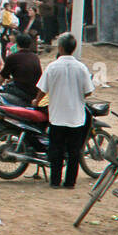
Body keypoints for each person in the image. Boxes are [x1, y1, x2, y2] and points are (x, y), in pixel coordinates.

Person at [33, 33, 95, 188]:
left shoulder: (52, 67)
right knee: (74, 152)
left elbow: (42, 89)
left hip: (57, 116)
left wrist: (37, 101)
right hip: (76, 117)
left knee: (56, 150)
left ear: (60, 48)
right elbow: (88, 92)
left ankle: (55, 181)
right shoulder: (81, 68)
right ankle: (70, 182)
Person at [0, 33, 42, 106]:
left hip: (20, 91)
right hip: (34, 93)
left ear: (17, 44)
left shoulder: (13, 57)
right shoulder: (35, 57)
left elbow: (3, 75)